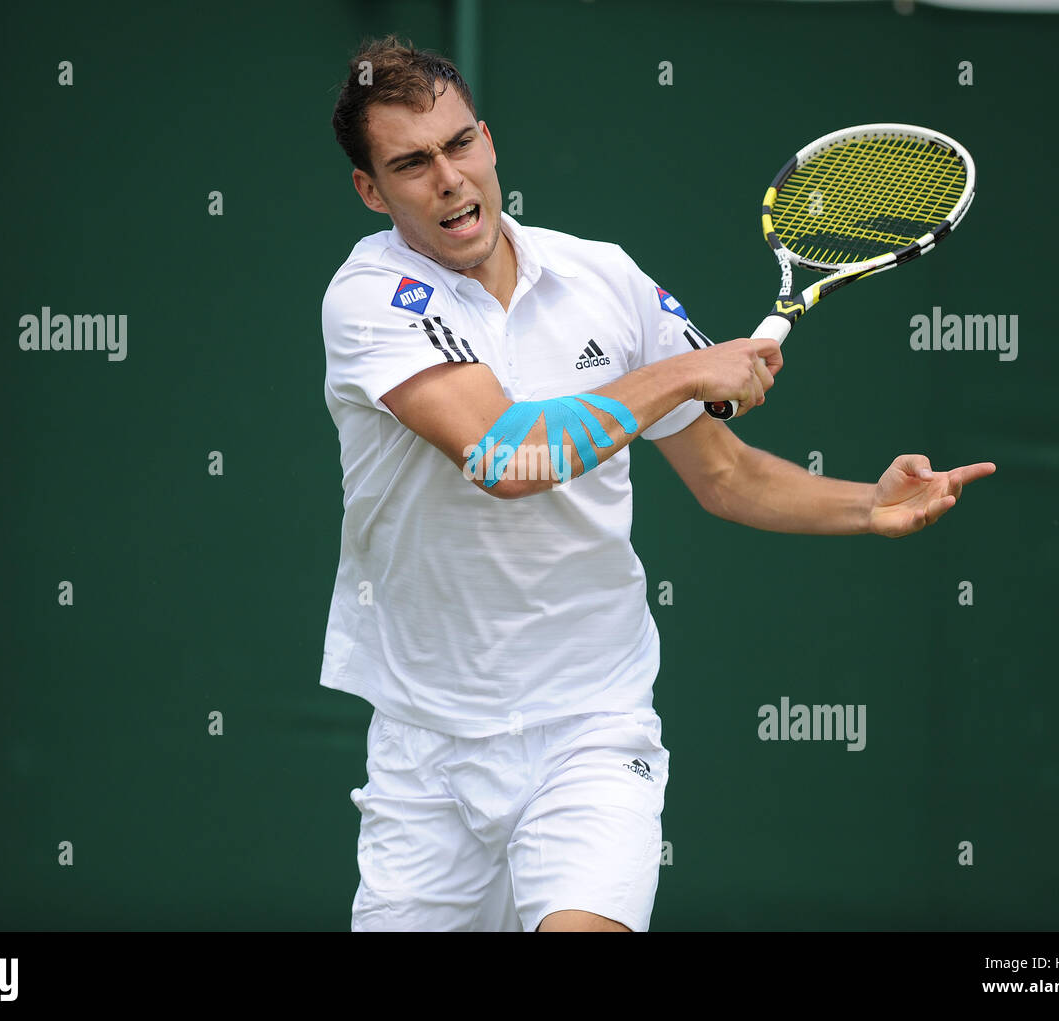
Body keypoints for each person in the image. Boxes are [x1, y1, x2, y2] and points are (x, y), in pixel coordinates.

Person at [321, 35, 994, 932]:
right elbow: (506, 456)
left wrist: (866, 504)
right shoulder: (371, 298)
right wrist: (681, 375)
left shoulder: (606, 277)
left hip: (592, 724)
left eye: (460, 145)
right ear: (372, 190)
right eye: (411, 162)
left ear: (487, 139)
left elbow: (723, 473)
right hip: (426, 744)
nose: (448, 178)